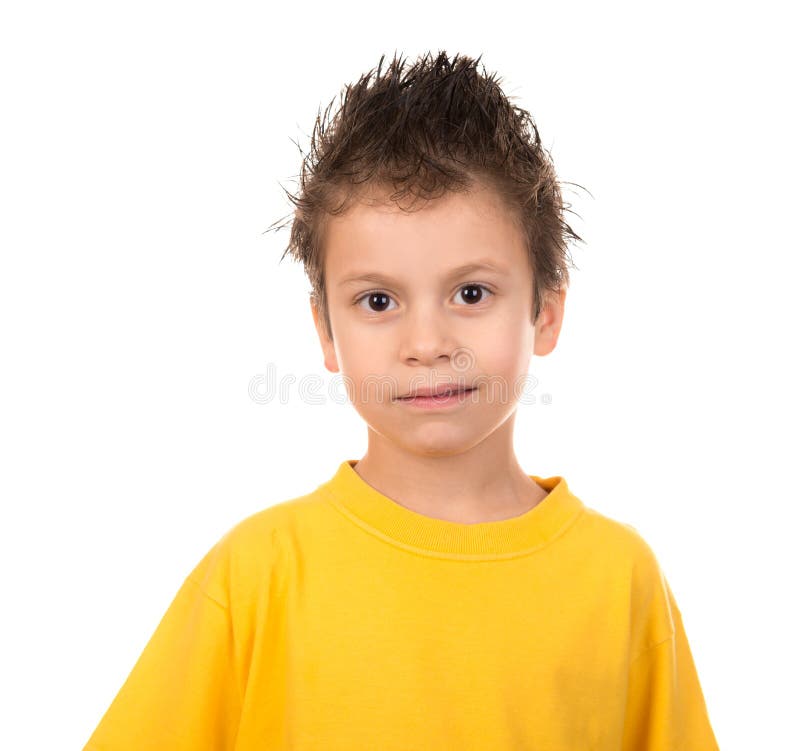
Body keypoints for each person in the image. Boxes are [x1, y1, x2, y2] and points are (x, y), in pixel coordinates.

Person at [83, 50, 719, 750]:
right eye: (378, 300)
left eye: (470, 293)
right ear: (326, 330)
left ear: (545, 310)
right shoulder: (255, 577)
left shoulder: (621, 581)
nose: (427, 341)